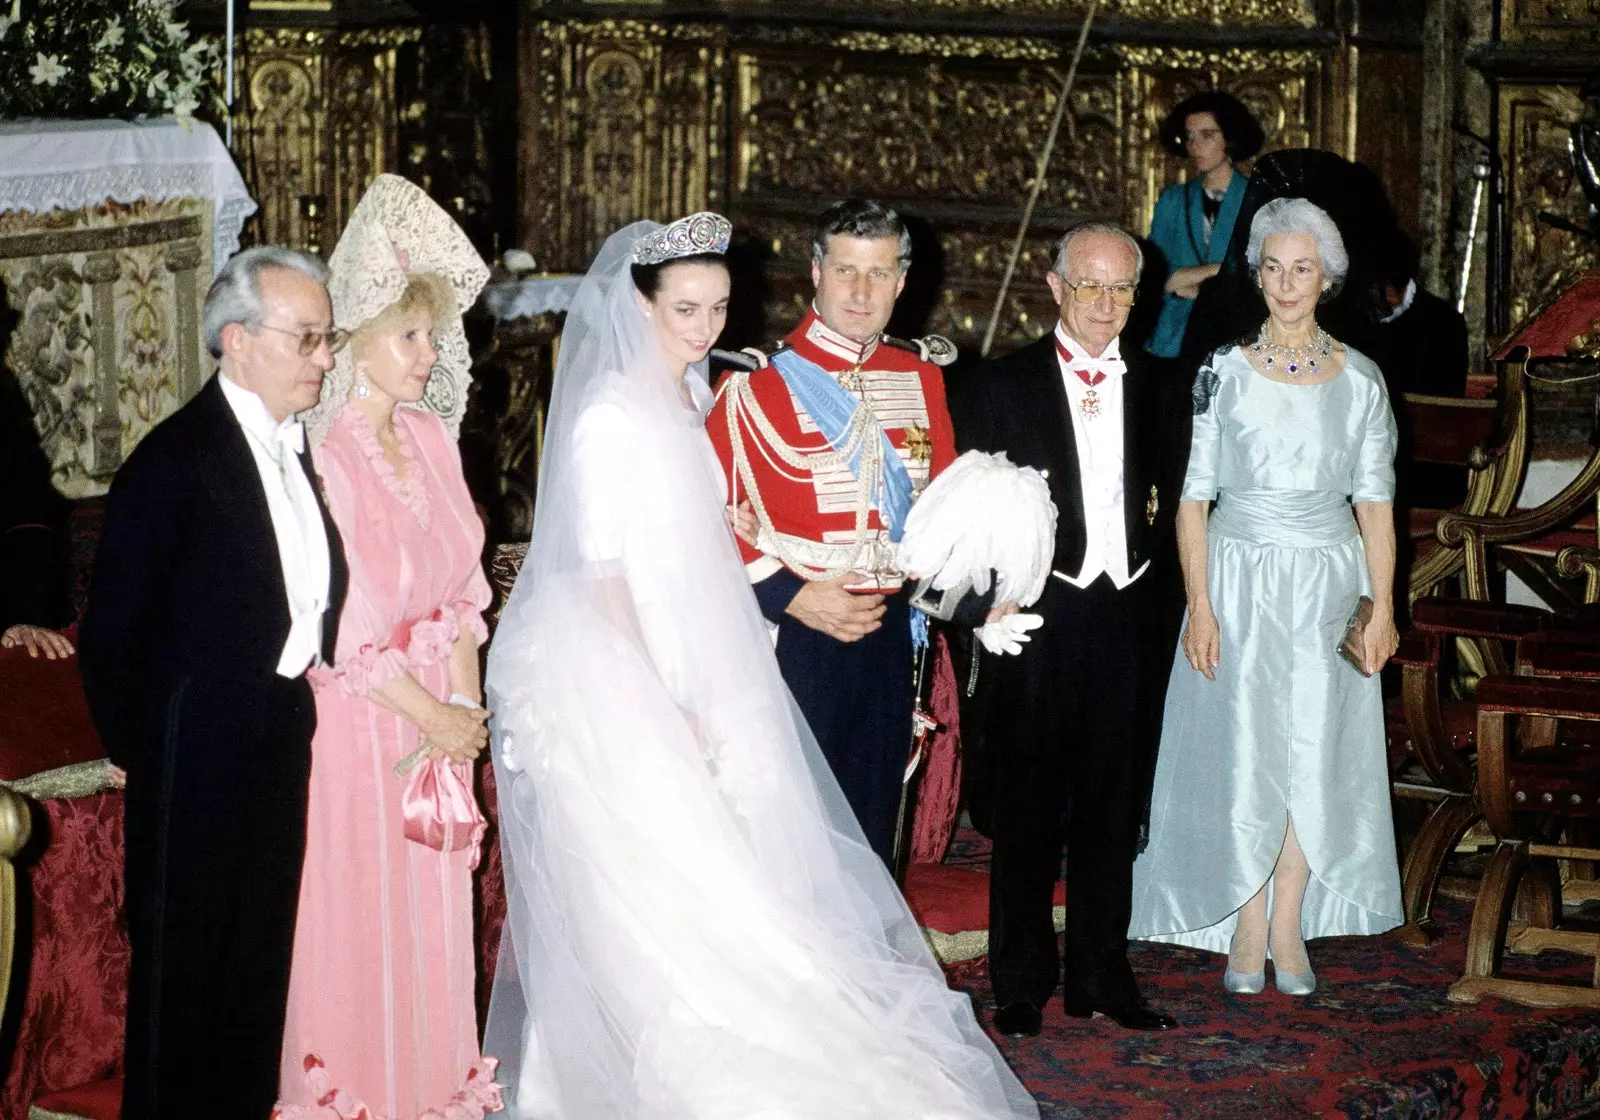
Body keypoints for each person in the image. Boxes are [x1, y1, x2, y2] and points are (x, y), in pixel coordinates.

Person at [483, 213, 1037, 1119]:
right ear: (641, 305)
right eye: (686, 309)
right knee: (662, 891)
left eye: (718, 308)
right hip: (640, 676)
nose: (704, 328)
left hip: (711, 657)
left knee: (742, 877)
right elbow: (605, 579)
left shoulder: (696, 394)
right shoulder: (615, 418)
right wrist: (664, 696)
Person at [78, 246, 349, 1119]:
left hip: (273, 732)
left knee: (254, 974)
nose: (324, 356)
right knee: (184, 988)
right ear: (237, 340)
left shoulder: (290, 442)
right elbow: (114, 631)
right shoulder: (175, 461)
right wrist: (145, 751)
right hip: (194, 750)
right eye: (306, 338)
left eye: (326, 337)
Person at [1129, 198, 1405, 995]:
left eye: (1303, 269)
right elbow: (1191, 499)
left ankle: (1289, 916)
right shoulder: (1221, 370)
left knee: (1312, 755)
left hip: (1328, 577)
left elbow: (1376, 505)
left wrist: (1382, 606)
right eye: (1274, 268)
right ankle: (1245, 917)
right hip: (1240, 575)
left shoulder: (1360, 380)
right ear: (1258, 275)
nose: (1287, 284)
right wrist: (1201, 605)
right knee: (1246, 751)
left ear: (1327, 278)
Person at [274, 175, 501, 1119]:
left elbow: (464, 593)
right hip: (359, 731)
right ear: (357, 337)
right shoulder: (321, 455)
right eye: (409, 334)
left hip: (436, 727)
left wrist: (467, 715)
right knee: (358, 926)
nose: (428, 354)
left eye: (434, 335)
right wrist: (431, 716)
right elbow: (343, 631)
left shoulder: (431, 439)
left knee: (430, 925)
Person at [959, 219, 1191, 1038]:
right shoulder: (1000, 383)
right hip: (1038, 614)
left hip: (1129, 614)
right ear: (1054, 287)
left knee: (1112, 800)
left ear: (1141, 295)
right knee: (1026, 802)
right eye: (1087, 284)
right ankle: (1020, 979)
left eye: (1120, 287)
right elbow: (966, 509)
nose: (1104, 302)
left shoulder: (1166, 385)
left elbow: (1180, 507)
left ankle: (1101, 971)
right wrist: (980, 611)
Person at [706, 198, 957, 865]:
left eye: (878, 273)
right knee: (782, 834)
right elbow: (701, 516)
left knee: (868, 832)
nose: (860, 291)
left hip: (886, 637)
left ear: (902, 281)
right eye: (846, 270)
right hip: (791, 637)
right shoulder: (753, 381)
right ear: (815, 272)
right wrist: (791, 595)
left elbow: (946, 510)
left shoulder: (922, 377)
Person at [1146, 90, 1264, 362]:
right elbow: (1155, 277)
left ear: (1230, 138)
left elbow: (1257, 278)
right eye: (1189, 136)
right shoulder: (1172, 200)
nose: (1194, 146)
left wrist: (1190, 283)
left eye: (1207, 135)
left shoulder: (1255, 200)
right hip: (1173, 342)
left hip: (1238, 342)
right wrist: (1221, 270)